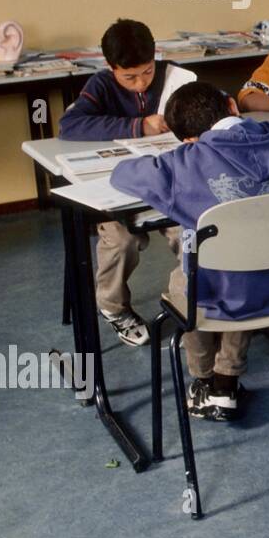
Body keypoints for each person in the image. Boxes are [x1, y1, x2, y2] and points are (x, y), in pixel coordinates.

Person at [110, 82, 269, 421]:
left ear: (189, 140)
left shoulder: (184, 164)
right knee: (239, 262)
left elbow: (123, 175)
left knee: (191, 279)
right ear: (233, 105)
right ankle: (226, 379)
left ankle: (204, 380)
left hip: (229, 296)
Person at [59, 18, 190, 347]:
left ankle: (193, 293)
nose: (141, 84)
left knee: (189, 227)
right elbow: (70, 126)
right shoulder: (101, 85)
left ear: (155, 56)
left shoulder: (172, 76)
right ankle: (113, 306)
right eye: (129, 77)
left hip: (166, 178)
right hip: (115, 184)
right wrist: (136, 127)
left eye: (147, 72)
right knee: (121, 239)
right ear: (110, 67)